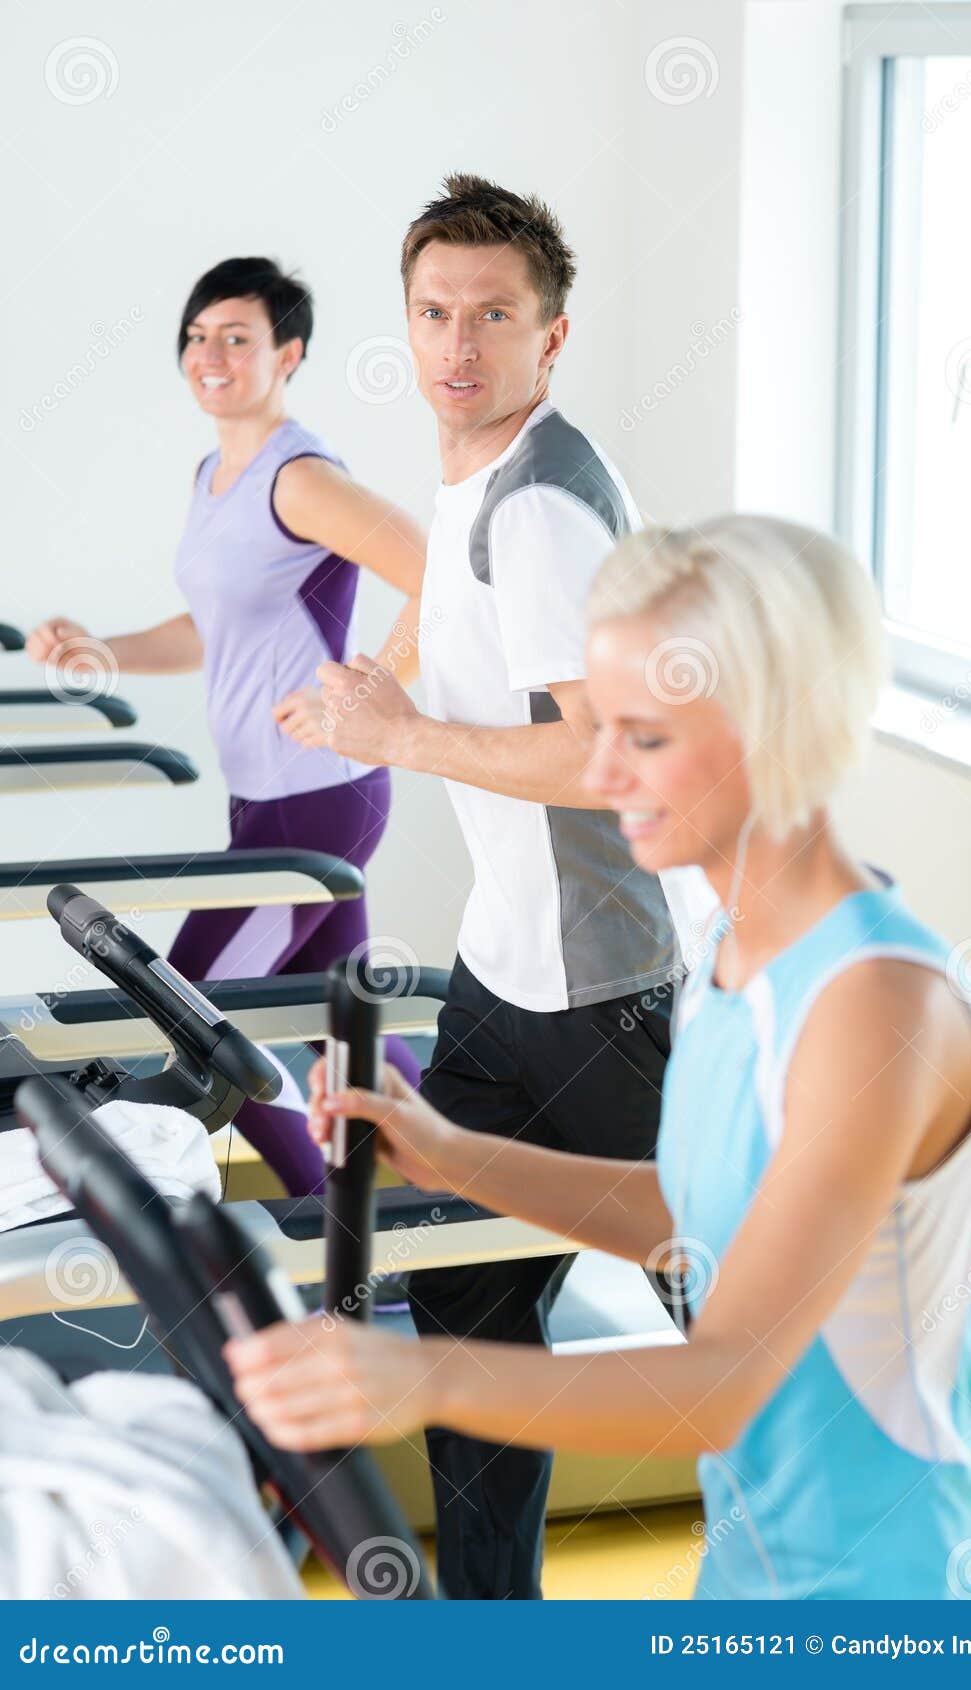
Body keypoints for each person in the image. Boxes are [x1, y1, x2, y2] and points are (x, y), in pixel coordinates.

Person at [226, 515, 971, 1601]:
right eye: (599, 726)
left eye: (646, 736)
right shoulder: (730, 956)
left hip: (909, 1598)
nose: (602, 771)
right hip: (760, 1577)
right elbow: (698, 1214)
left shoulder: (873, 1002)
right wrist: (447, 1152)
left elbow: (723, 1385)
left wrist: (415, 1375)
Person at [287, 176, 686, 1600]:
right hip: (497, 979)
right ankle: (489, 1634)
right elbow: (454, 616)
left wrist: (393, 737)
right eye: (436, 313)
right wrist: (374, 683)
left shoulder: (545, 511)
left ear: (552, 335)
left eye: (494, 316)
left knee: (728, 1297)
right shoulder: (478, 479)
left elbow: (607, 749)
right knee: (467, 1321)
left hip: (601, 995)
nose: (460, 344)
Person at [26, 257, 423, 1196]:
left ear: (287, 354)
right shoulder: (215, 474)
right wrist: (100, 651)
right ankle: (463, 1195)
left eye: (237, 337)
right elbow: (211, 629)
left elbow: (440, 573)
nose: (210, 353)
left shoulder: (301, 476)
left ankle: (338, 1241)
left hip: (313, 799)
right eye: (199, 335)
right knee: (342, 1012)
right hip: (271, 798)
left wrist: (359, 692)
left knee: (197, 1018)